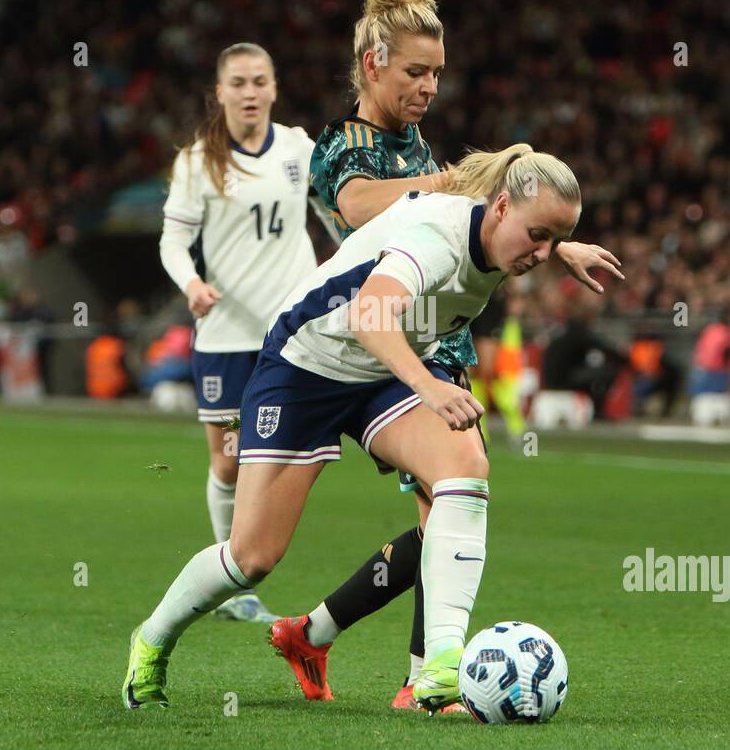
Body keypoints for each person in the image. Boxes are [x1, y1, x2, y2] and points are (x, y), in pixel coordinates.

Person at [265, 0, 622, 710]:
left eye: (438, 75)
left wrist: (555, 244)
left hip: (440, 337)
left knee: (449, 508)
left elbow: (486, 224)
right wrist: (460, 177)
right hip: (384, 344)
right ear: (374, 64)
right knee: (452, 495)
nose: (429, 88)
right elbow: (364, 210)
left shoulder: (421, 150)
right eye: (417, 73)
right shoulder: (342, 147)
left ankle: (316, 634)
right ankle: (423, 682)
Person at [123, 144, 588, 712]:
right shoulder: (436, 241)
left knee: (466, 469)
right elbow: (370, 314)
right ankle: (152, 638)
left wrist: (561, 246)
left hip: (384, 373)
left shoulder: (501, 233)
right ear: (500, 206)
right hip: (305, 366)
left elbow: (521, 233)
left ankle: (441, 667)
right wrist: (432, 386)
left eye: (553, 240)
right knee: (252, 557)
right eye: (537, 234)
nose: (540, 254)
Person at [158, 41, 334, 622]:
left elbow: (335, 215)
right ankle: (233, 581)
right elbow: (173, 243)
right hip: (227, 336)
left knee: (301, 450)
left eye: (260, 80)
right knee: (231, 462)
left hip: (293, 332)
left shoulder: (299, 149)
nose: (250, 92)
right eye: (239, 82)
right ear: (220, 92)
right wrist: (191, 284)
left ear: (275, 87)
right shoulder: (197, 162)